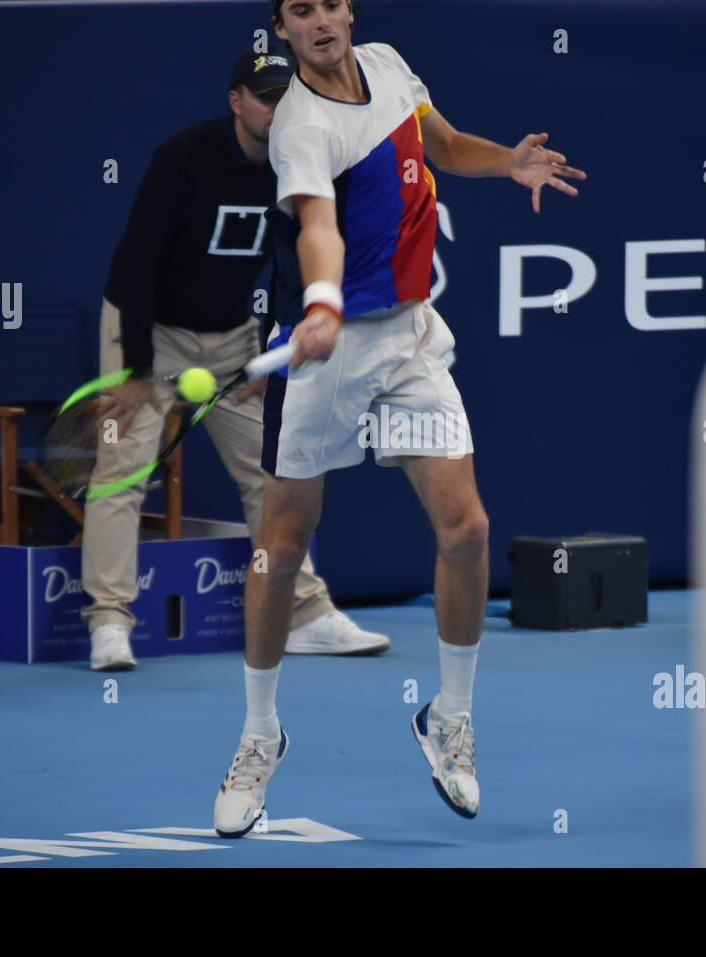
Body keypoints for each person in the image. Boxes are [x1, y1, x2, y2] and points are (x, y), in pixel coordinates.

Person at [212, 0, 586, 836]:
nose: (320, 22)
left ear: (350, 12)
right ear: (282, 28)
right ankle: (260, 733)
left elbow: (443, 146)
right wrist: (319, 302)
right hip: (330, 348)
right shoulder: (300, 126)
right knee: (281, 546)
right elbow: (318, 229)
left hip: (410, 337)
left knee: (467, 530)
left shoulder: (388, 64)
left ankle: (449, 717)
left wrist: (509, 164)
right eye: (300, 11)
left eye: (329, 5)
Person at [83, 49, 390, 672]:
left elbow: (300, 257)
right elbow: (134, 260)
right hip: (149, 332)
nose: (279, 111)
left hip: (233, 340)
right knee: (122, 474)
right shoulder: (184, 157)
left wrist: (269, 349)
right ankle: (110, 622)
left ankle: (306, 613)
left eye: (289, 98)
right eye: (266, 98)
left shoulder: (304, 160)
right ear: (236, 100)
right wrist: (137, 371)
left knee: (273, 473)